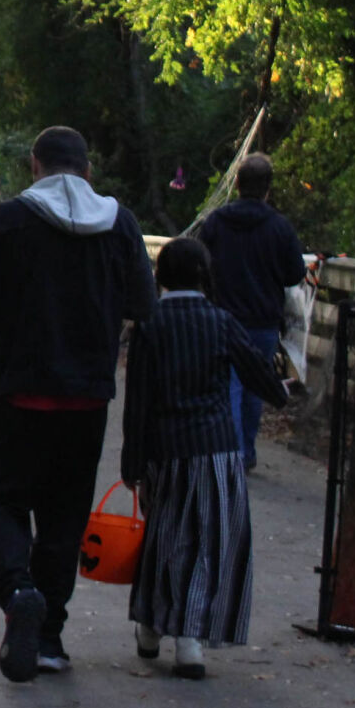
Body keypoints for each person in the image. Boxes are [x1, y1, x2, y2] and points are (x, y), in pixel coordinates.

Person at [0, 126, 155, 681]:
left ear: (34, 165)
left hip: (15, 393)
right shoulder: (120, 223)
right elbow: (145, 301)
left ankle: (18, 590)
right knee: (64, 520)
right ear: (88, 171)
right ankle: (49, 639)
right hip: (86, 400)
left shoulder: (7, 219)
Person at [121, 236, 287, 679]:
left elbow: (137, 399)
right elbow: (256, 372)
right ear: (204, 275)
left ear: (161, 276)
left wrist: (132, 465)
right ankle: (189, 639)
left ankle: (154, 625)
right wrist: (282, 392)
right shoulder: (221, 320)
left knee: (166, 537)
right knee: (206, 541)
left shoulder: (150, 323)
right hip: (216, 449)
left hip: (165, 449)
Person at [196, 153, 305, 470]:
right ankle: (246, 451)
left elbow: (199, 263)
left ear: (238, 184)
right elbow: (294, 274)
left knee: (228, 383)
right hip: (263, 320)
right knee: (255, 385)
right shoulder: (280, 228)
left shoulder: (216, 222)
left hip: (223, 317)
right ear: (268, 188)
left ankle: (231, 450)